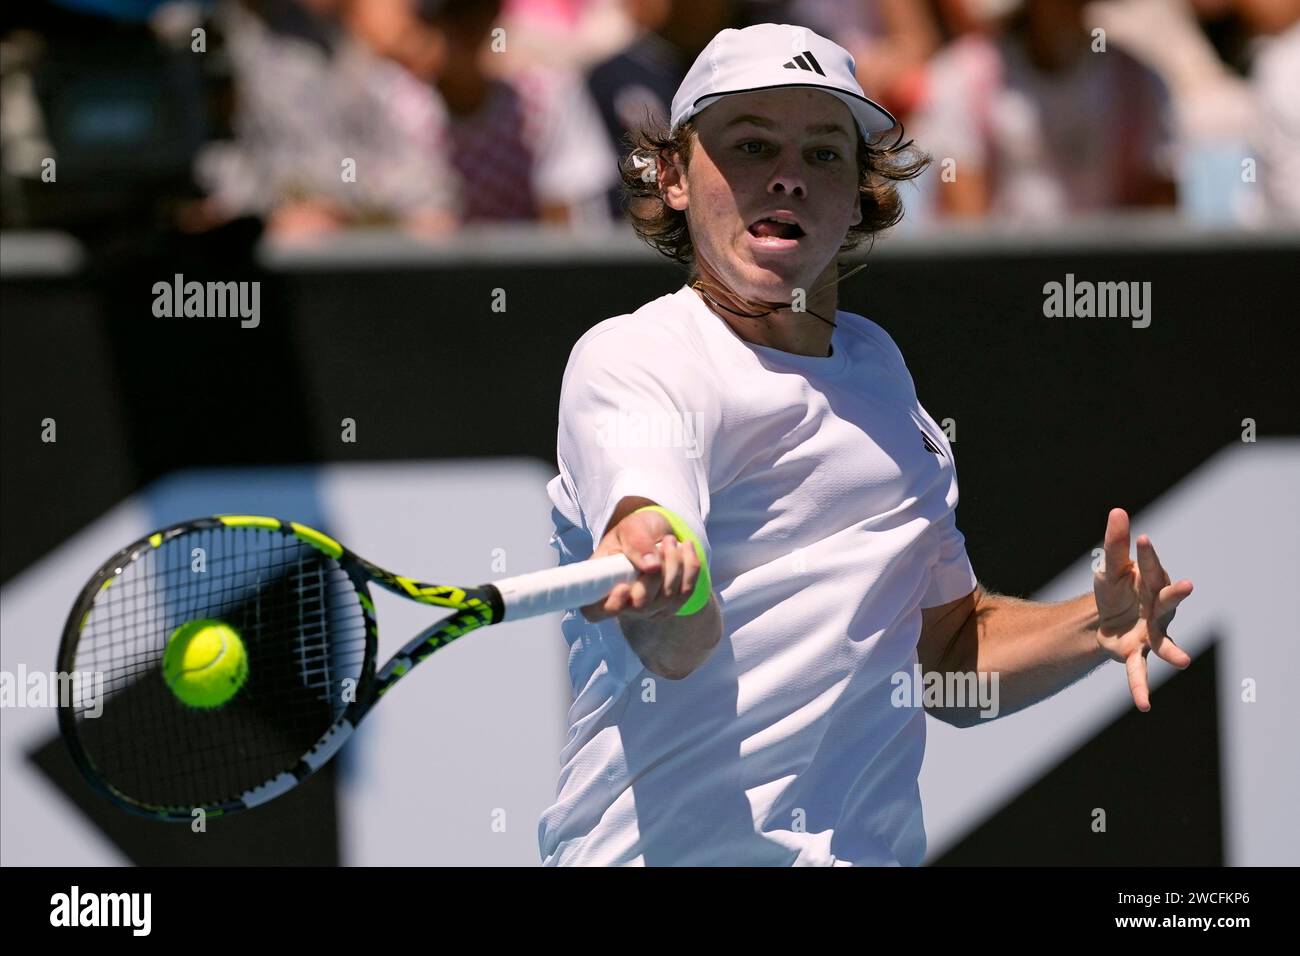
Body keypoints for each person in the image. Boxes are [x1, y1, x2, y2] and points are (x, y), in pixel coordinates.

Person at [540, 22, 1195, 866]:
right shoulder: (636, 360)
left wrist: (1091, 629)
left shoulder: (879, 374)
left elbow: (950, 653)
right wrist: (664, 578)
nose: (787, 175)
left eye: (822, 154)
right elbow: (674, 632)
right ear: (672, 175)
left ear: (857, 194)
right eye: (749, 144)